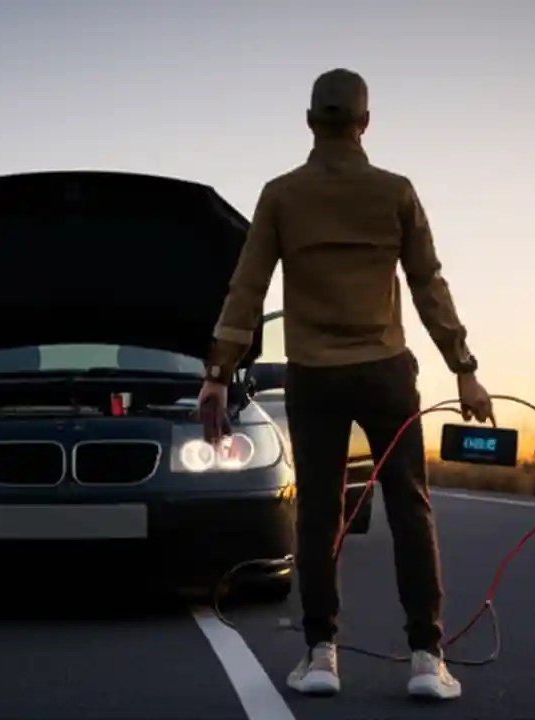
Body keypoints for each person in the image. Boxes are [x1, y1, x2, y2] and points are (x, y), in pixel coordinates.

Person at [197, 68, 493, 701]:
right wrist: (464, 370)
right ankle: (425, 658)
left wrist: (218, 375)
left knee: (321, 515)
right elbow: (428, 285)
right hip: (387, 371)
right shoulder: (396, 192)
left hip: (314, 376)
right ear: (365, 123)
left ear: (310, 121)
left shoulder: (281, 195)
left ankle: (321, 655)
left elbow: (246, 290)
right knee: (411, 508)